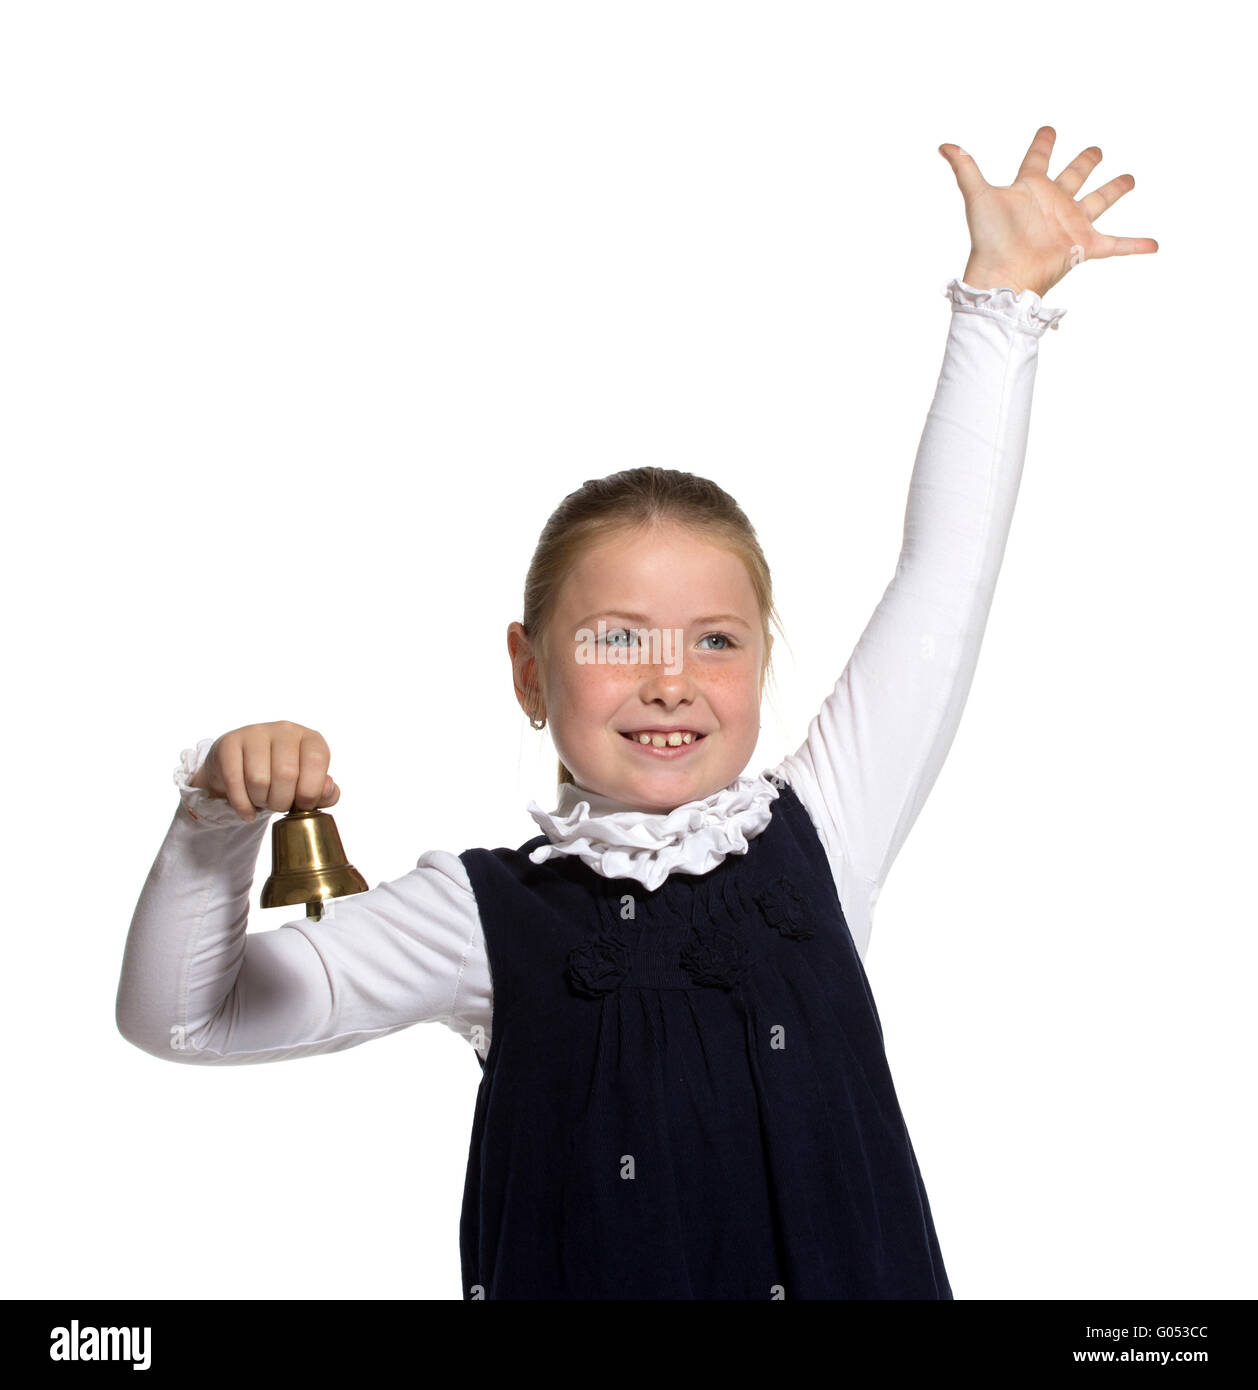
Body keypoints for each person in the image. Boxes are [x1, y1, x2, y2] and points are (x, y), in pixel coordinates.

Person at [116, 127, 1156, 1299]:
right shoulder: (477, 915)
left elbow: (945, 570)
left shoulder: (826, 830)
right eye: (615, 639)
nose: (670, 680)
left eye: (715, 641)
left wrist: (997, 305)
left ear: (764, 661)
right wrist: (215, 821)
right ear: (528, 671)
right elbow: (181, 1022)